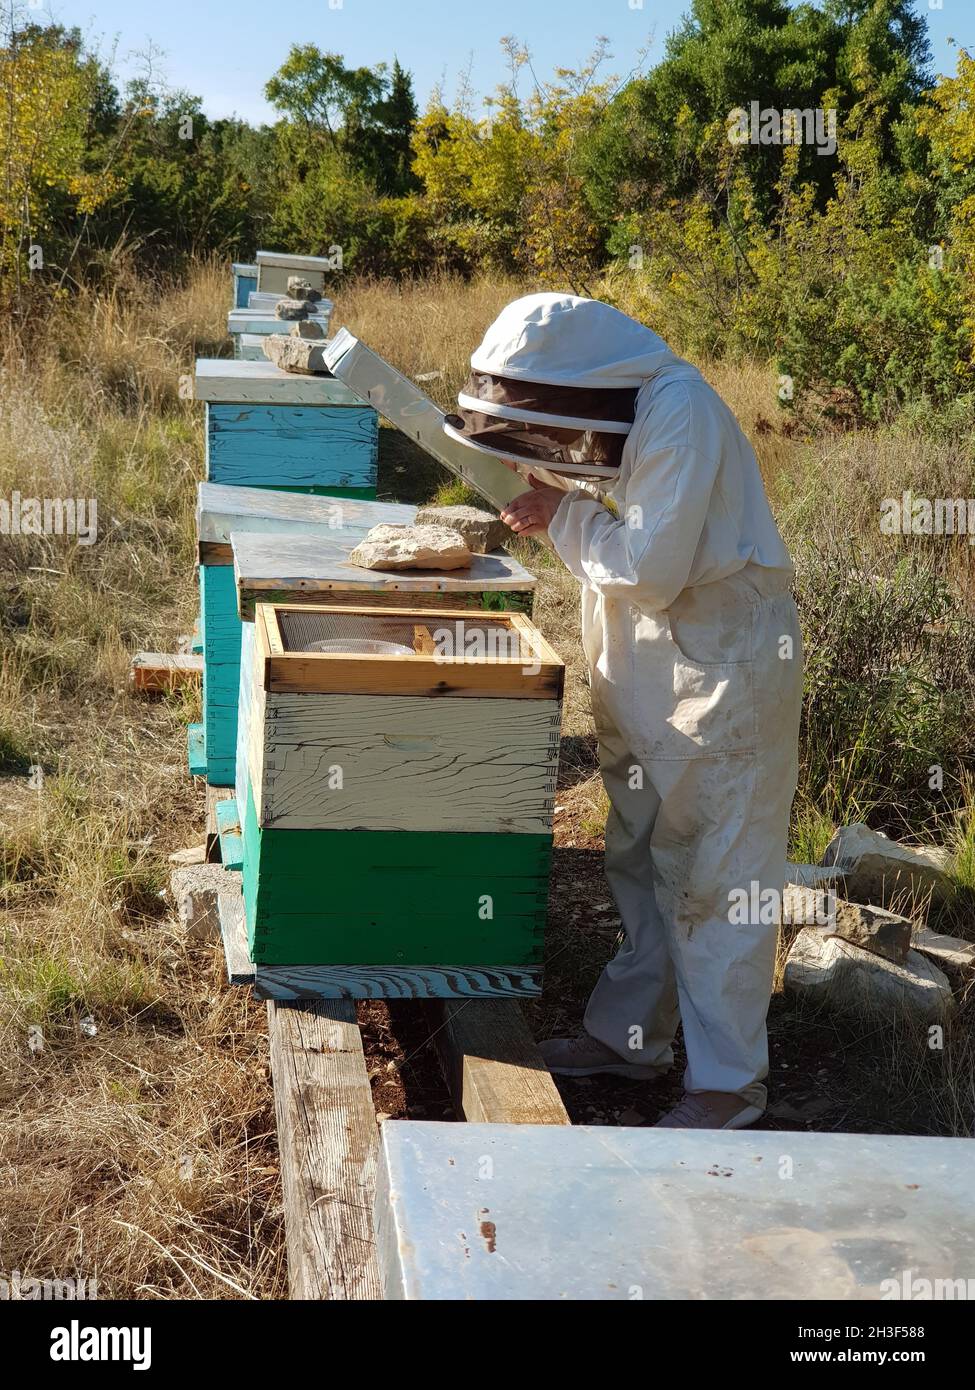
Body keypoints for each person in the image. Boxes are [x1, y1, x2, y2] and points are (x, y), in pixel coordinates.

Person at [443, 292, 802, 1130]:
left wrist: (561, 512)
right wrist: (558, 492)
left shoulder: (678, 411)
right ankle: (629, 1039)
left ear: (582, 385)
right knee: (640, 858)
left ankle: (726, 1084)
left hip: (720, 670)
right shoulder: (626, 406)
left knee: (715, 874)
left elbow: (646, 566)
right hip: (651, 662)